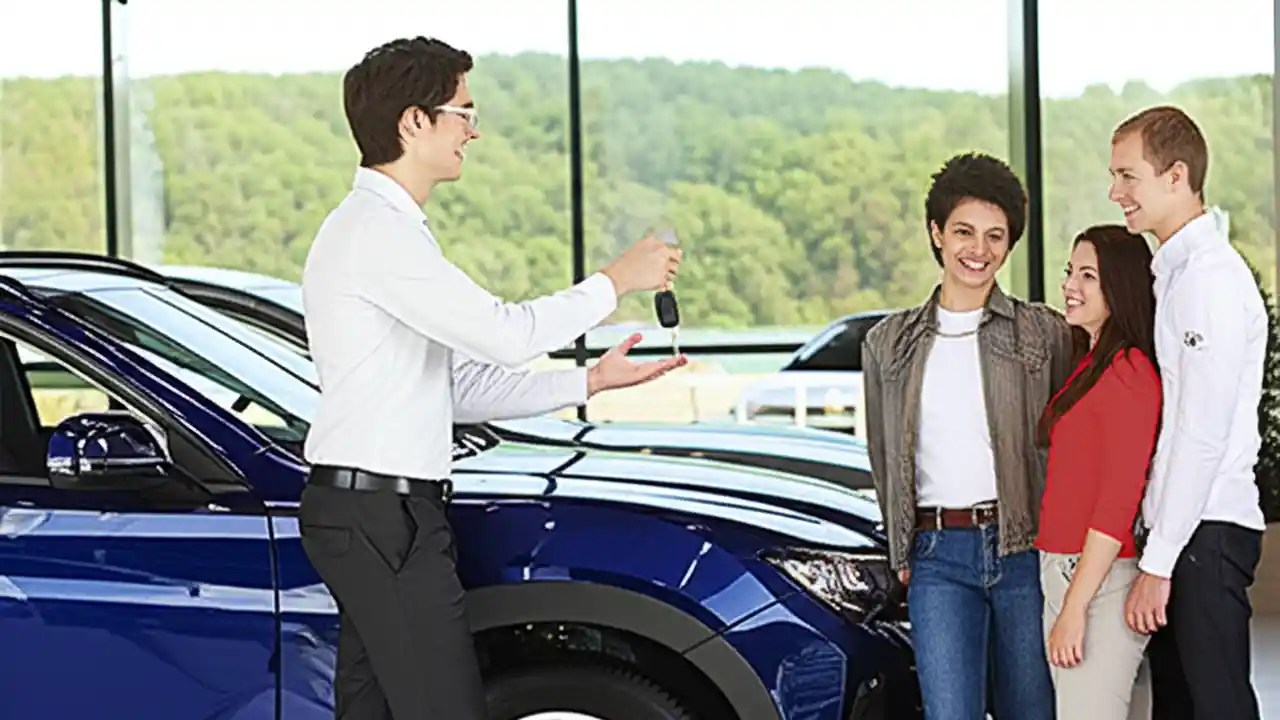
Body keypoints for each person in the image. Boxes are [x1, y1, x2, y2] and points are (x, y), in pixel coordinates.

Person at [298, 36, 687, 720]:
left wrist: (589, 382)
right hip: (383, 515)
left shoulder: (385, 232)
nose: (474, 131)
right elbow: (506, 335)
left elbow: (460, 389)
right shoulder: (378, 234)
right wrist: (616, 280)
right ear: (413, 122)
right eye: (464, 112)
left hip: (375, 512)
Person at [861, 151, 1075, 720]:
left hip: (1025, 552)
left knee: (1032, 711)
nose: (978, 250)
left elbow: (1073, 442)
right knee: (950, 712)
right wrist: (900, 545)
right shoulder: (887, 343)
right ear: (937, 234)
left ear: (1009, 245)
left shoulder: (1044, 333)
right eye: (963, 232)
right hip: (937, 558)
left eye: (995, 236)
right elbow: (882, 454)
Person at [1112, 105, 1268, 720]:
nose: (1114, 191)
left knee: (1218, 707)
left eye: (1129, 176)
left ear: (1176, 176)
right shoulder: (1175, 275)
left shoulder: (1210, 280)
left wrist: (1158, 561)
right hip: (1185, 534)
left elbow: (1200, 435)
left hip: (1207, 531)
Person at [1034, 225, 1162, 719]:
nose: (1071, 285)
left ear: (1121, 287)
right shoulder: (1091, 364)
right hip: (1068, 572)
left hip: (1096, 582)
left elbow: (1116, 504)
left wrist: (1073, 609)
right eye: (1071, 272)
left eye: (1089, 275)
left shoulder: (1129, 371)